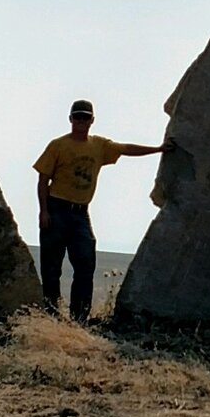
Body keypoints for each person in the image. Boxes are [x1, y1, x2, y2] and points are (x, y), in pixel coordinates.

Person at [32, 99, 166, 320]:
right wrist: (43, 211)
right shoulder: (58, 145)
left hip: (80, 214)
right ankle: (51, 316)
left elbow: (126, 149)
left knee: (85, 265)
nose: (81, 121)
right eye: (78, 117)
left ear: (92, 120)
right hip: (57, 209)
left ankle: (79, 319)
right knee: (51, 268)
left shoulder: (99, 146)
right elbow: (42, 180)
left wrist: (158, 149)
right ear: (70, 119)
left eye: (85, 117)